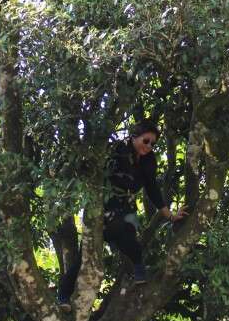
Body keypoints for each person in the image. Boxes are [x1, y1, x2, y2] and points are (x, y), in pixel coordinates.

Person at [57, 120, 186, 309]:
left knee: (132, 241)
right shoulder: (116, 149)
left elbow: (152, 189)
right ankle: (63, 296)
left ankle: (139, 274)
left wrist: (170, 215)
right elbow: (93, 173)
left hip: (125, 208)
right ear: (135, 136)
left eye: (153, 144)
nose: (149, 146)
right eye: (146, 141)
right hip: (103, 206)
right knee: (85, 258)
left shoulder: (149, 161)